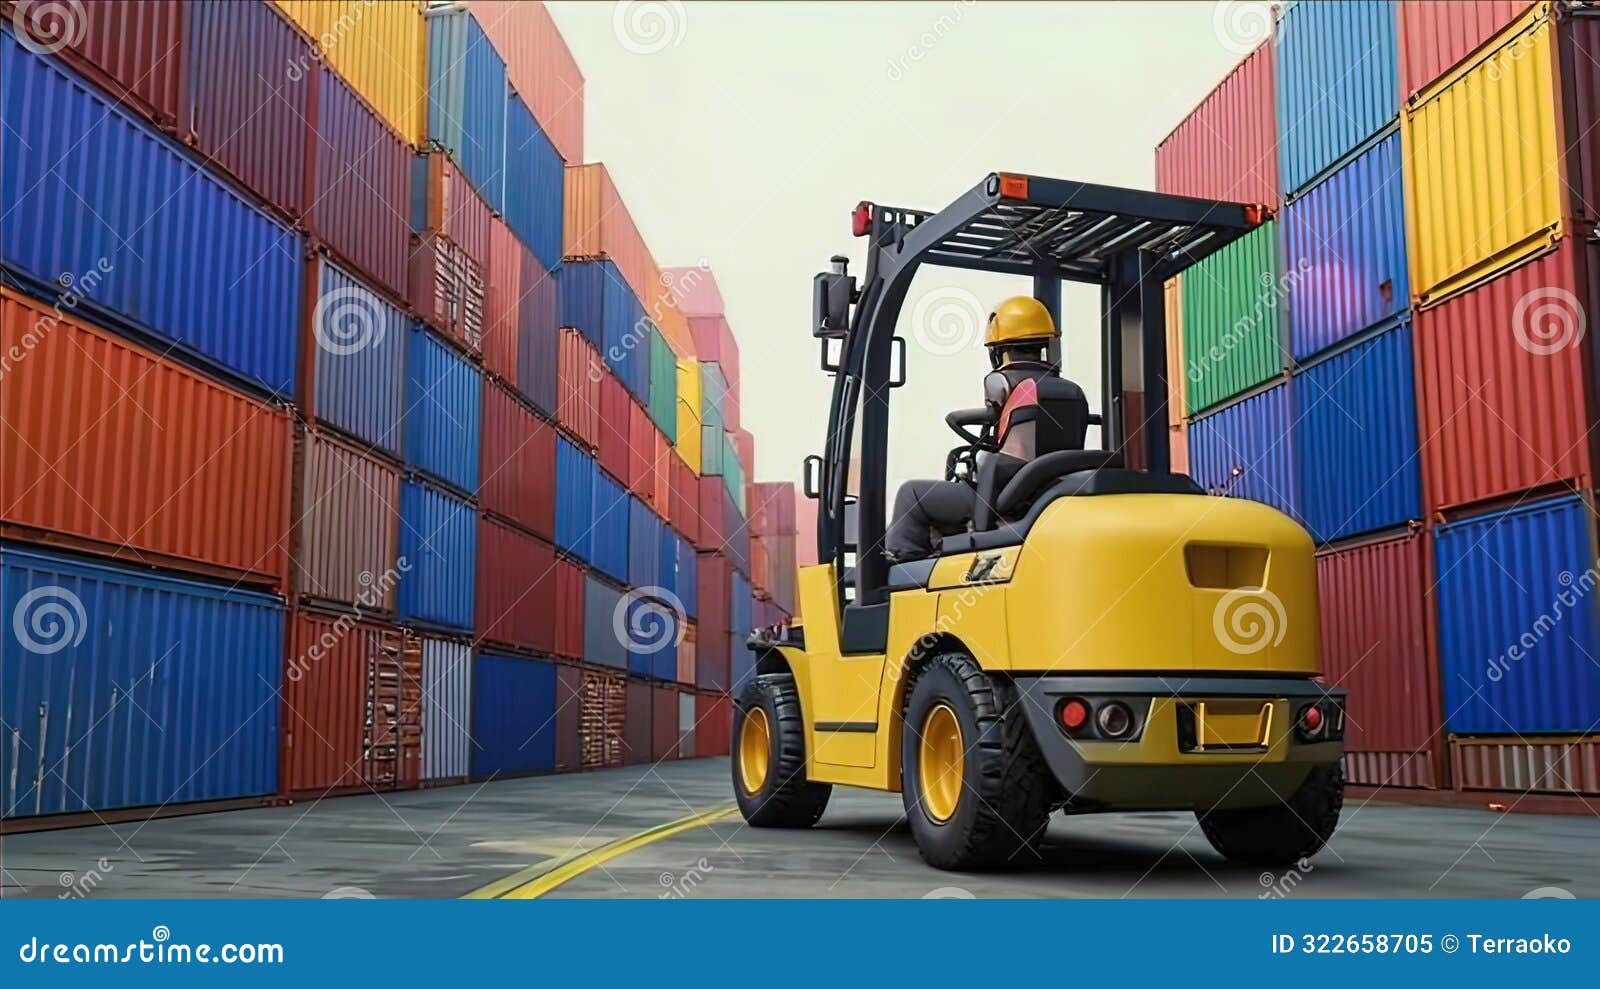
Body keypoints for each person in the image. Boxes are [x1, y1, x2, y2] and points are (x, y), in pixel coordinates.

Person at [885, 296, 1061, 563]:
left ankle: (902, 567)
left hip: (1005, 491)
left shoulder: (1000, 381)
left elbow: (993, 422)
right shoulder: (1070, 391)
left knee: (911, 494)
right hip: (1044, 488)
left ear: (998, 350)